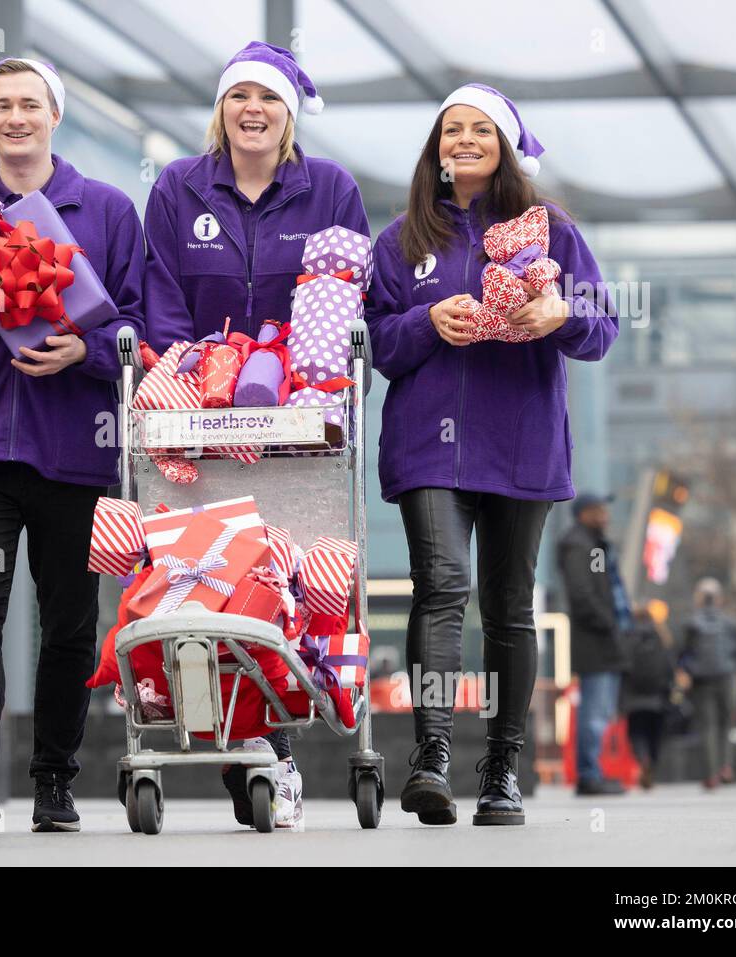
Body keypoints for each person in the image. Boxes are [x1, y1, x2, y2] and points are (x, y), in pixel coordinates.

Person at [365, 83, 618, 826]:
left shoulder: (552, 232)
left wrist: (561, 310)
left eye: (481, 130)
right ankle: (433, 756)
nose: (465, 141)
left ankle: (502, 768)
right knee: (440, 588)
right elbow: (377, 343)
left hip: (521, 443)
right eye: (452, 130)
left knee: (508, 607)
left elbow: (602, 329)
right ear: (436, 148)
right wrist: (424, 321)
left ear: (505, 146)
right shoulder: (399, 240)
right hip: (427, 447)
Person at [143, 41, 369, 831]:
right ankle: (237, 741)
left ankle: (273, 744)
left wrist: (299, 386)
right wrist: (194, 377)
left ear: (289, 115)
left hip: (298, 431)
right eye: (239, 96)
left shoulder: (330, 189)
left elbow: (346, 301)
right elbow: (160, 296)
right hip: (196, 426)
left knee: (286, 584)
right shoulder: (178, 187)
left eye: (268, 99)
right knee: (205, 582)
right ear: (220, 110)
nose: (253, 110)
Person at [0, 58, 146, 832]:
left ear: (55, 114)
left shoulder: (108, 212)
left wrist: (86, 353)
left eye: (29, 104)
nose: (15, 116)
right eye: (0, 105)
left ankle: (54, 777)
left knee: (70, 621)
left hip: (75, 453)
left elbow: (142, 334)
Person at [558, 492, 631, 796]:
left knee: (601, 710)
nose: (605, 516)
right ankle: (589, 775)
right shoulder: (578, 544)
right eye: (598, 510)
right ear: (583, 514)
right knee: (595, 711)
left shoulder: (593, 543)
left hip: (604, 639)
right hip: (595, 641)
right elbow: (582, 595)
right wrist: (609, 622)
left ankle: (593, 772)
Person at [678, 577, 736, 789]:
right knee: (726, 724)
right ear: (719, 599)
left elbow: (682, 652)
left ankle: (710, 775)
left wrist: (687, 671)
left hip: (701, 680)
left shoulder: (691, 623)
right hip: (727, 677)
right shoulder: (730, 622)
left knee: (707, 726)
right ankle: (726, 767)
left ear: (700, 599)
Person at [622, 601, 676, 789]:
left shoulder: (628, 636)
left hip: (634, 699)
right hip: (657, 698)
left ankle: (642, 759)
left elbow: (624, 667)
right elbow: (670, 666)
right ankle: (651, 762)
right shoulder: (661, 636)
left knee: (636, 733)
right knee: (655, 735)